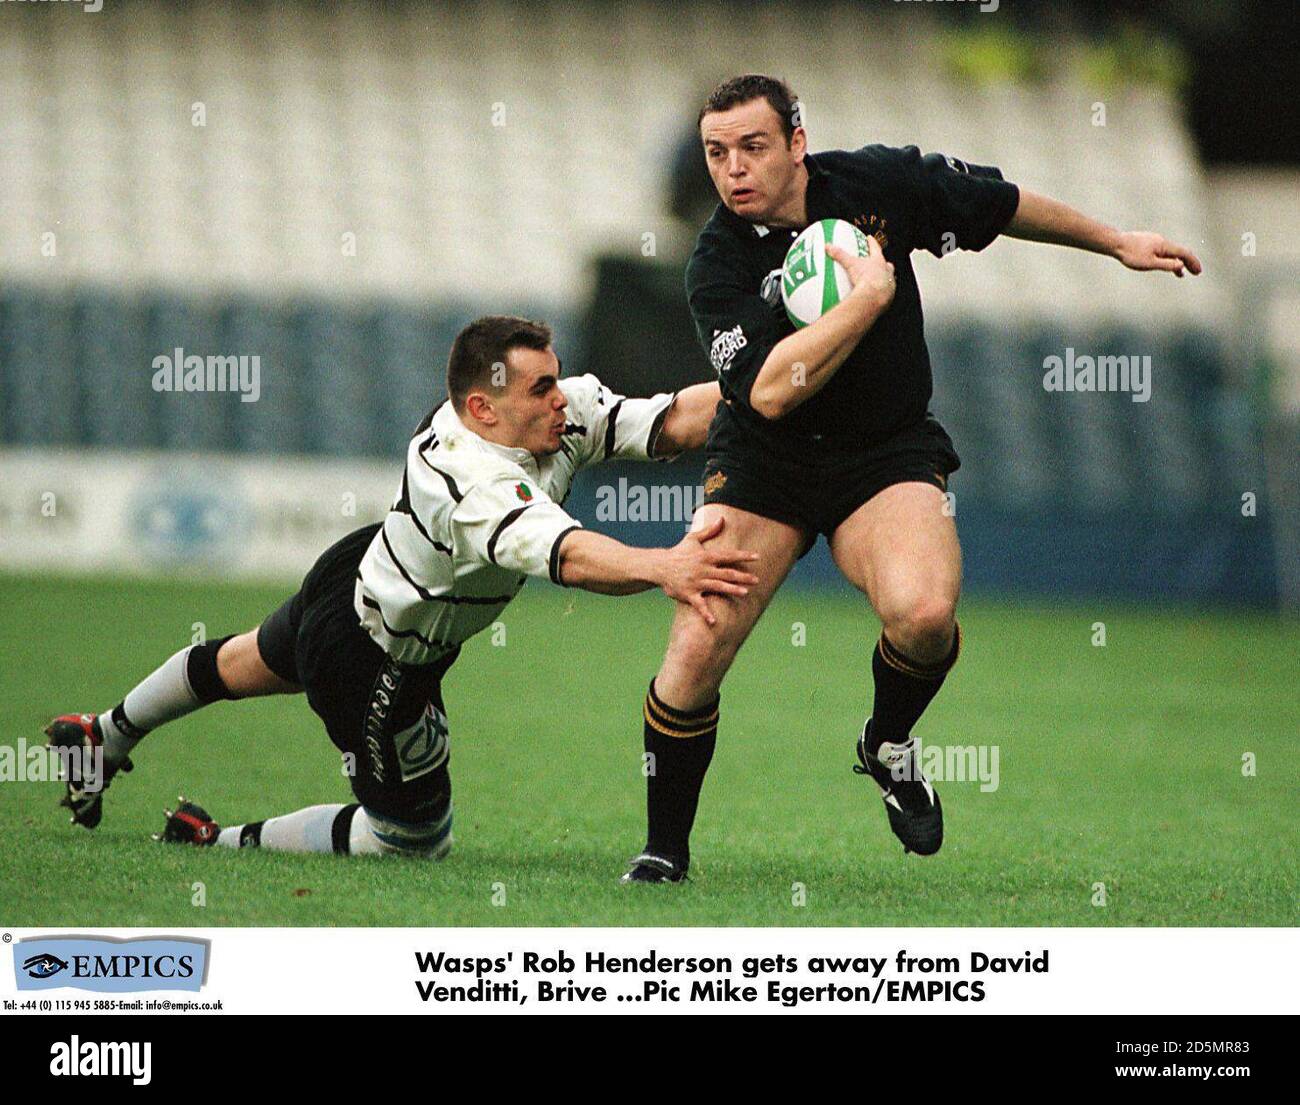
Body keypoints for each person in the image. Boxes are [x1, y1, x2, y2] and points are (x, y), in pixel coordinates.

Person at [622, 75, 1203, 883]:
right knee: (695, 647)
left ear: (796, 140)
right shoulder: (715, 263)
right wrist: (865, 300)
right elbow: (765, 390)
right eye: (716, 153)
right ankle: (663, 849)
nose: (733, 170)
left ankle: (887, 744)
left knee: (926, 614)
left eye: (753, 146)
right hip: (765, 460)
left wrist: (1114, 242)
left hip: (883, 453)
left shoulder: (878, 185)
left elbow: (996, 203)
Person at [47, 315, 757, 859]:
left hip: (361, 567)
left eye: (556, 378)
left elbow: (668, 420)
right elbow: (569, 555)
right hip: (380, 659)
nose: (560, 400)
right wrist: (667, 565)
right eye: (542, 388)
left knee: (243, 661)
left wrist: (761, 389)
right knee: (414, 837)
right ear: (484, 409)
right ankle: (211, 839)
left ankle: (103, 732)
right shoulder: (468, 478)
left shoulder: (549, 415)